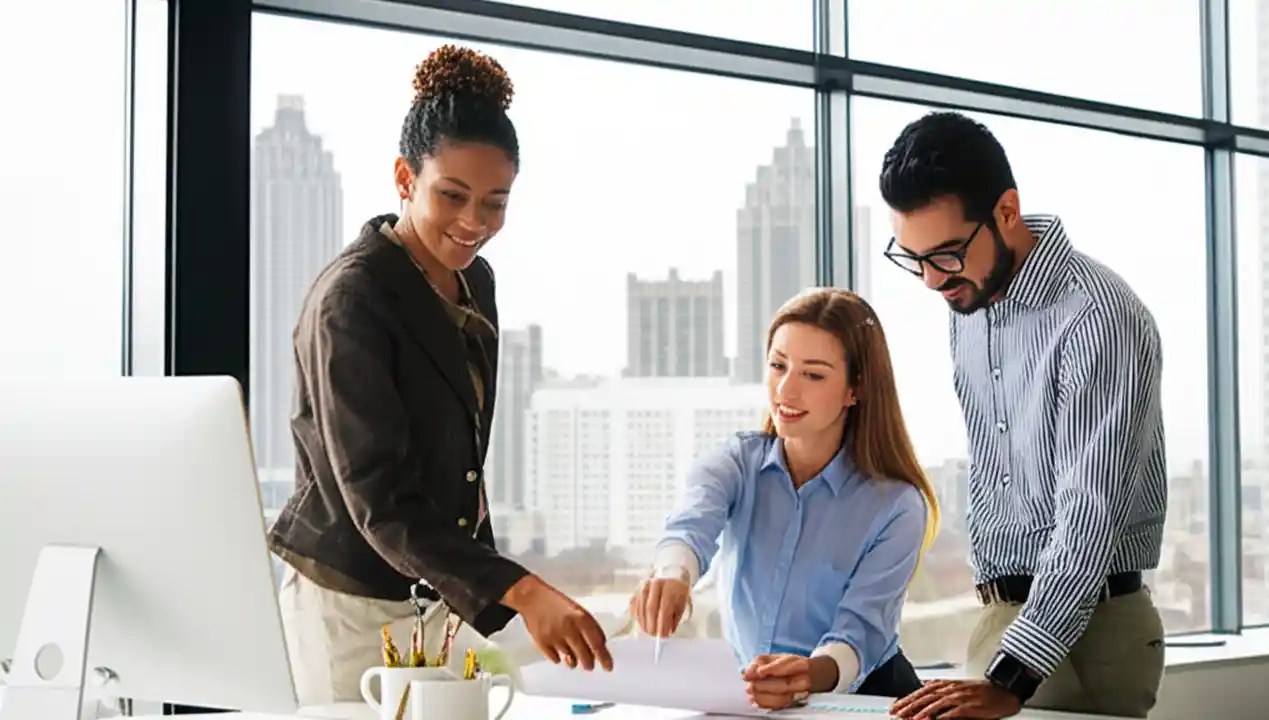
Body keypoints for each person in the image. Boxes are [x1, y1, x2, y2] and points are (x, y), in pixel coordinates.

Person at [266, 45, 612, 706]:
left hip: (435, 596)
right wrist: (519, 588)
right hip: (349, 601)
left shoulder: (474, 280)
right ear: (404, 177)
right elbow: (378, 493)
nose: (474, 222)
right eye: (452, 195)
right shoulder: (353, 300)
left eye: (495, 202)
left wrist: (476, 583)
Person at [880, 112, 1167, 720]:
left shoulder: (1099, 318)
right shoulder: (972, 306)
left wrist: (1013, 674)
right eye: (914, 259)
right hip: (1000, 621)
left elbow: (1090, 510)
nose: (932, 281)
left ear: (1006, 211)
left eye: (947, 254)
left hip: (1090, 633)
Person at [629, 288, 941, 711]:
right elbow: (690, 525)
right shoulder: (735, 462)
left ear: (856, 389)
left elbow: (862, 631)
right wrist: (673, 575)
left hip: (869, 699)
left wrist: (808, 676)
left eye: (813, 375)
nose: (786, 390)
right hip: (765, 700)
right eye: (778, 366)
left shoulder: (898, 506)